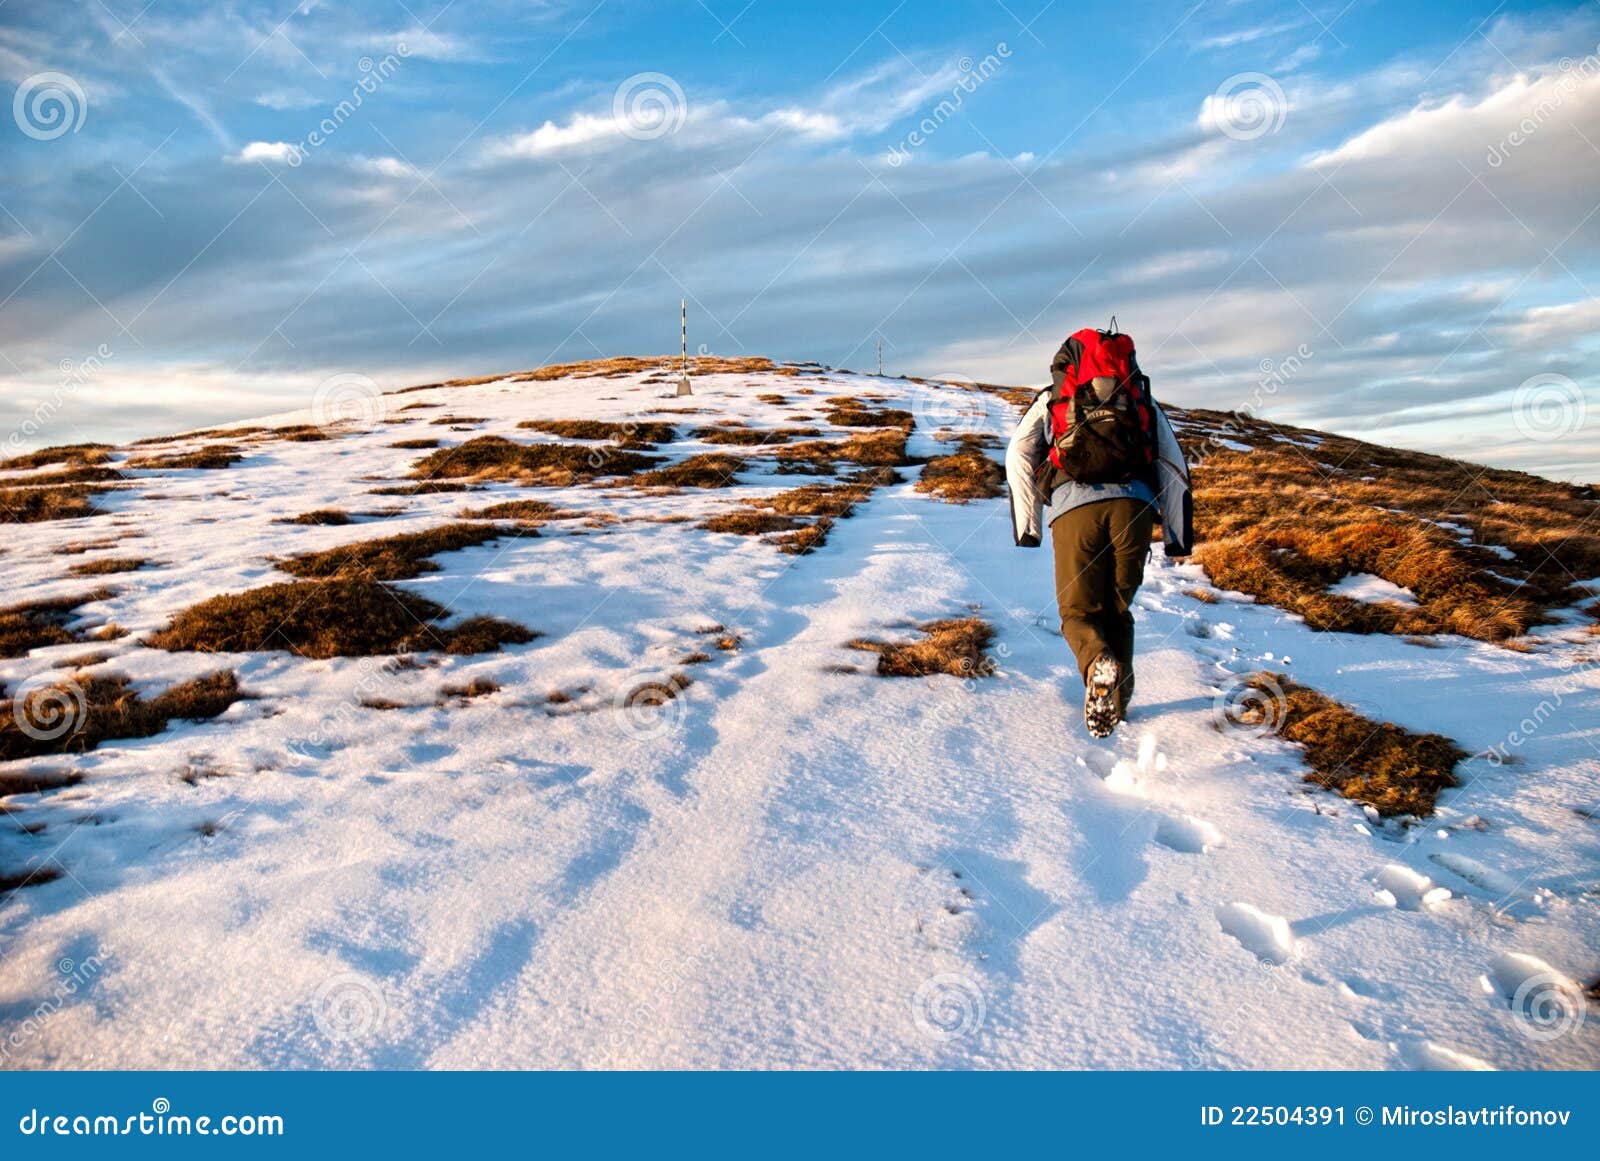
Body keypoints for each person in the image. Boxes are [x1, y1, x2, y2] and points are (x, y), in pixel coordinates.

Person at [1005, 323, 1192, 738]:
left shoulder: (1053, 398)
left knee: (1078, 613)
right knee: (1116, 611)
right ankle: (1117, 708)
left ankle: (1097, 664)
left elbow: (1018, 451)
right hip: (1134, 508)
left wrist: (1028, 526)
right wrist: (1177, 537)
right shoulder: (1139, 398)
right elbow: (1173, 463)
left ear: (1066, 365)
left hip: (1075, 509)